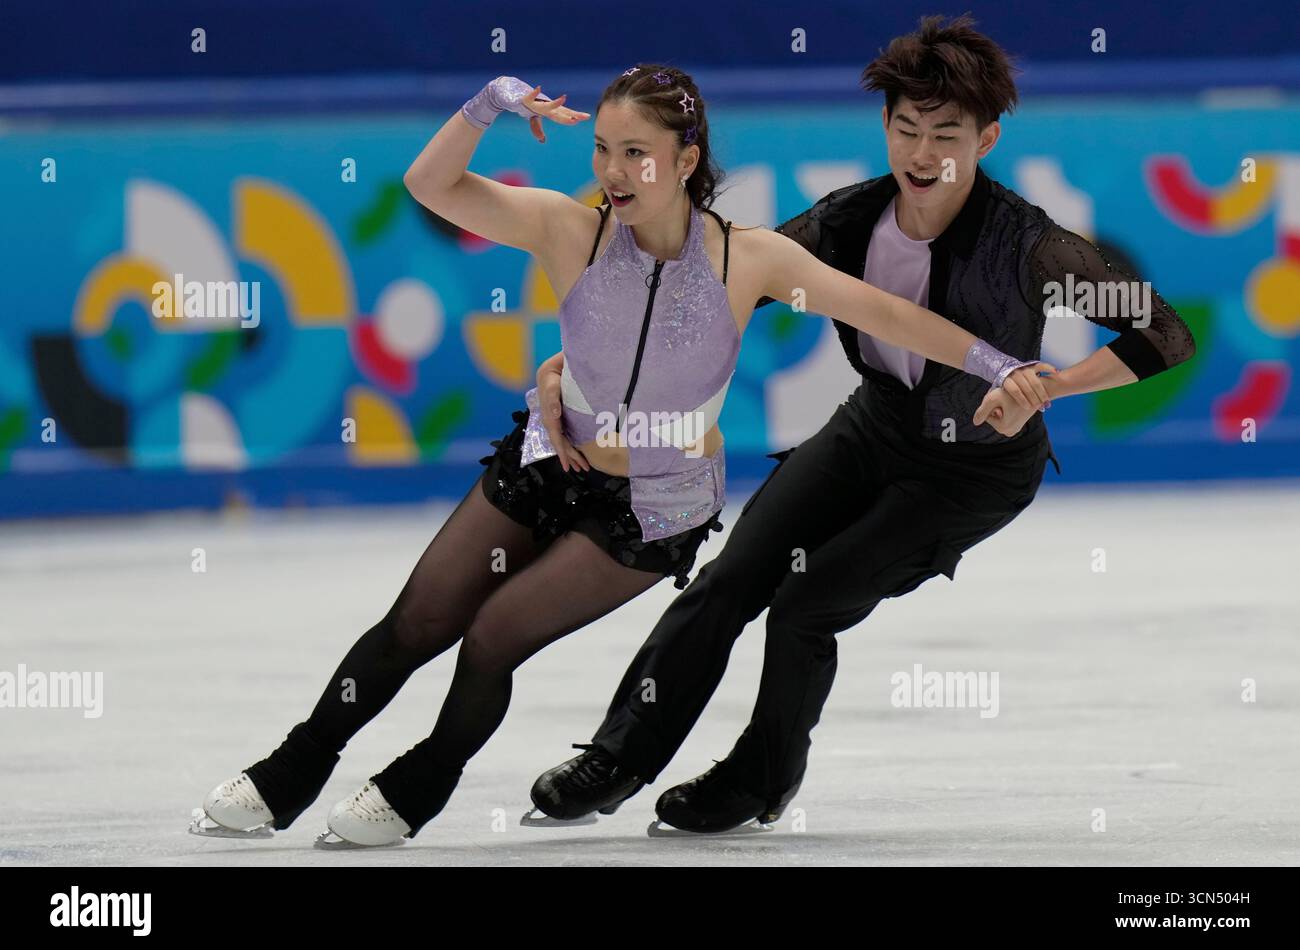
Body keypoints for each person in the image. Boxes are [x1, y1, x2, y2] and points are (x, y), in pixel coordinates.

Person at [187, 62, 1048, 847]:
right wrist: (489, 103)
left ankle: (419, 784)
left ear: (685, 159)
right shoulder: (570, 231)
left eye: (635, 152)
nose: (611, 170)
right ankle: (289, 771)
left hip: (655, 506)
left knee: (490, 639)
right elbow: (430, 184)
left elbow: (888, 317)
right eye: (602, 149)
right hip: (549, 463)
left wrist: (999, 364)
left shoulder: (748, 259)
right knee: (416, 622)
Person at [530, 17, 1197, 834]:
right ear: (884, 127)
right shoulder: (846, 221)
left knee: (808, 600)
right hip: (870, 431)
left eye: (946, 134)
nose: (923, 155)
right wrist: (583, 368)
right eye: (906, 130)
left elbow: (1164, 333)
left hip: (975, 471)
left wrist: (1051, 385)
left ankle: (759, 778)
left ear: (986, 138)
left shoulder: (1032, 246)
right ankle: (618, 757)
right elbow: (707, 296)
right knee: (733, 575)